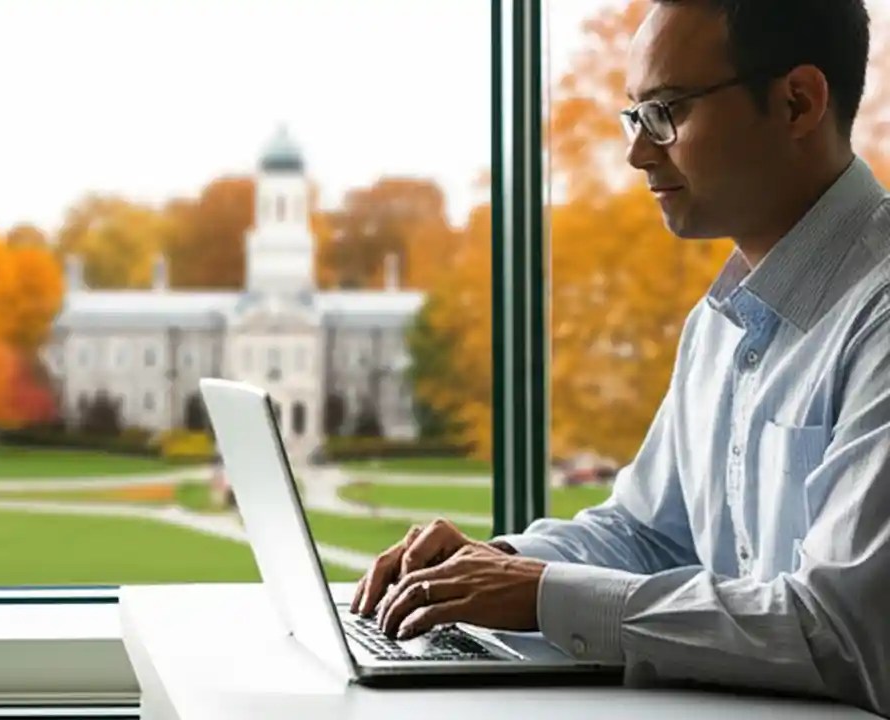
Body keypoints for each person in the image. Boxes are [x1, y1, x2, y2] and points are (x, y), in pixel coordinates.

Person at [351, 0, 890, 713]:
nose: (639, 151)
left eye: (667, 112)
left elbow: (842, 635)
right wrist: (495, 566)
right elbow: (645, 533)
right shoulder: (723, 323)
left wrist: (542, 595)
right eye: (634, 117)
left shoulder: (877, 317)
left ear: (797, 103)